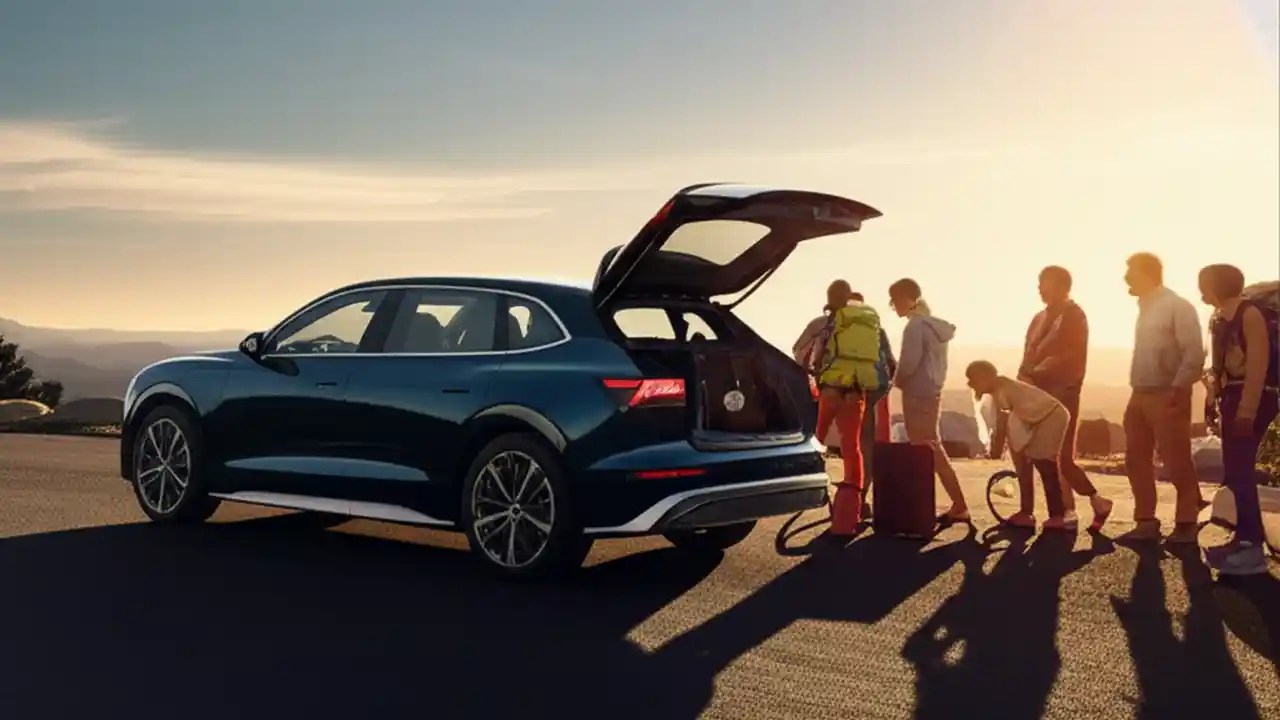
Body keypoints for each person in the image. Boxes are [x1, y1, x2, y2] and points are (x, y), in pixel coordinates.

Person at [1017, 266, 1114, 531]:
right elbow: (1028, 353)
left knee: (1060, 457)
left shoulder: (1074, 315)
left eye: (1043, 283)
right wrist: (1021, 382)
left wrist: (1036, 372)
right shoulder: (1039, 318)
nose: (1039, 288)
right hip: (1037, 395)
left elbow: (1070, 356)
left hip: (1062, 395)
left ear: (1061, 286)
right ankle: (1066, 511)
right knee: (1045, 455)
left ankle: (1086, 505)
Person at [1121, 252, 1206, 543]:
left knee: (1176, 459)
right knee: (1136, 459)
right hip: (1140, 392)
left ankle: (1186, 523)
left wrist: (1179, 388)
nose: (1125, 278)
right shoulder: (1144, 307)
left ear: (1147, 273)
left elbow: (1194, 352)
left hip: (1167, 393)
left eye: (1130, 271)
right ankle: (1146, 521)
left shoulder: (1176, 307)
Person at [1199, 264, 1279, 574]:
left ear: (1217, 286)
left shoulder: (1248, 315)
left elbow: (1257, 365)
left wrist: (1246, 411)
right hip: (1234, 396)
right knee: (1234, 471)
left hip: (1252, 397)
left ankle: (1251, 547)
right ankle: (1245, 539)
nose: (1201, 291)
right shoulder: (1221, 317)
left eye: (1204, 284)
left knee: (1241, 471)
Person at [888, 278, 969, 523]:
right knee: (931, 447)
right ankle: (955, 503)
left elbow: (909, 363)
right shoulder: (934, 326)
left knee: (925, 450)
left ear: (905, 298)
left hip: (916, 394)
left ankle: (952, 505)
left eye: (894, 300)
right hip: (932, 391)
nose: (893, 306)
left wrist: (895, 381)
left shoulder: (914, 326)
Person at [808, 280, 883, 534]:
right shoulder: (866, 322)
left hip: (830, 390)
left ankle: (814, 490)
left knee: (816, 440)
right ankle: (853, 510)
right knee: (852, 448)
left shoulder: (826, 323)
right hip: (856, 392)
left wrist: (814, 372)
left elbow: (811, 357)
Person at [966, 361, 1074, 531]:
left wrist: (998, 448)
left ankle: (1057, 516)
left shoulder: (1001, 389)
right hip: (1041, 419)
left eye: (973, 379)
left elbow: (1003, 424)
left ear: (986, 377)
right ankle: (1027, 513)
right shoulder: (1000, 387)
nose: (969, 384)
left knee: (1045, 463)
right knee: (1028, 464)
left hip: (1051, 417)